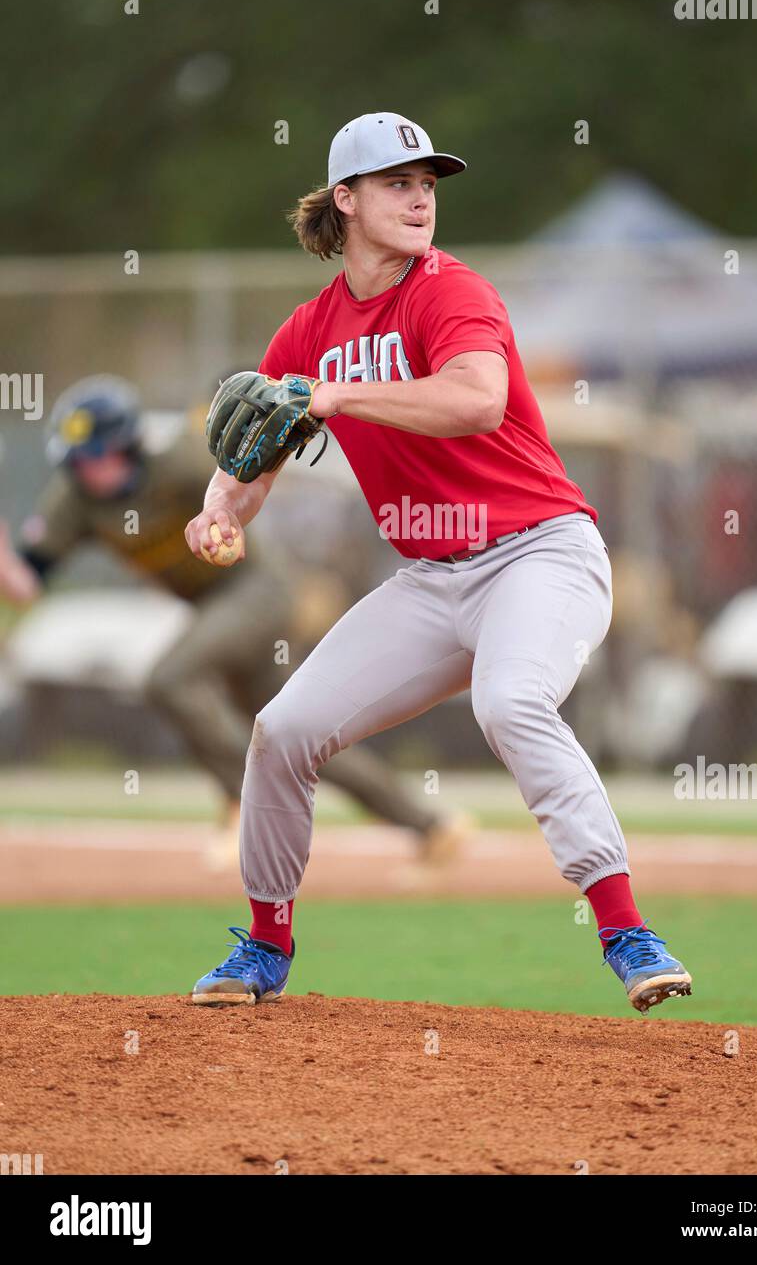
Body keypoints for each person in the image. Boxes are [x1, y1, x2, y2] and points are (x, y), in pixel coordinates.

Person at [186, 111, 693, 1013]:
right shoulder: (307, 333)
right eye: (397, 183)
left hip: (541, 554)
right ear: (346, 200)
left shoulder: (450, 291)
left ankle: (625, 930)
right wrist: (219, 509)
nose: (421, 198)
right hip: (431, 578)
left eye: (427, 183)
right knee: (283, 731)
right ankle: (264, 947)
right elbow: (250, 453)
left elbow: (476, 400)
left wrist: (334, 392)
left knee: (510, 699)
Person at [0, 374, 465, 868]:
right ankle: (431, 826)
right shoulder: (77, 501)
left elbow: (249, 479)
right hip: (215, 610)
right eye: (79, 460)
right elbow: (28, 586)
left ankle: (246, 804)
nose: (90, 470)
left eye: (100, 455)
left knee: (169, 678)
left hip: (257, 591)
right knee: (296, 733)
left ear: (129, 444)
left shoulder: (174, 462)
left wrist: (226, 516)